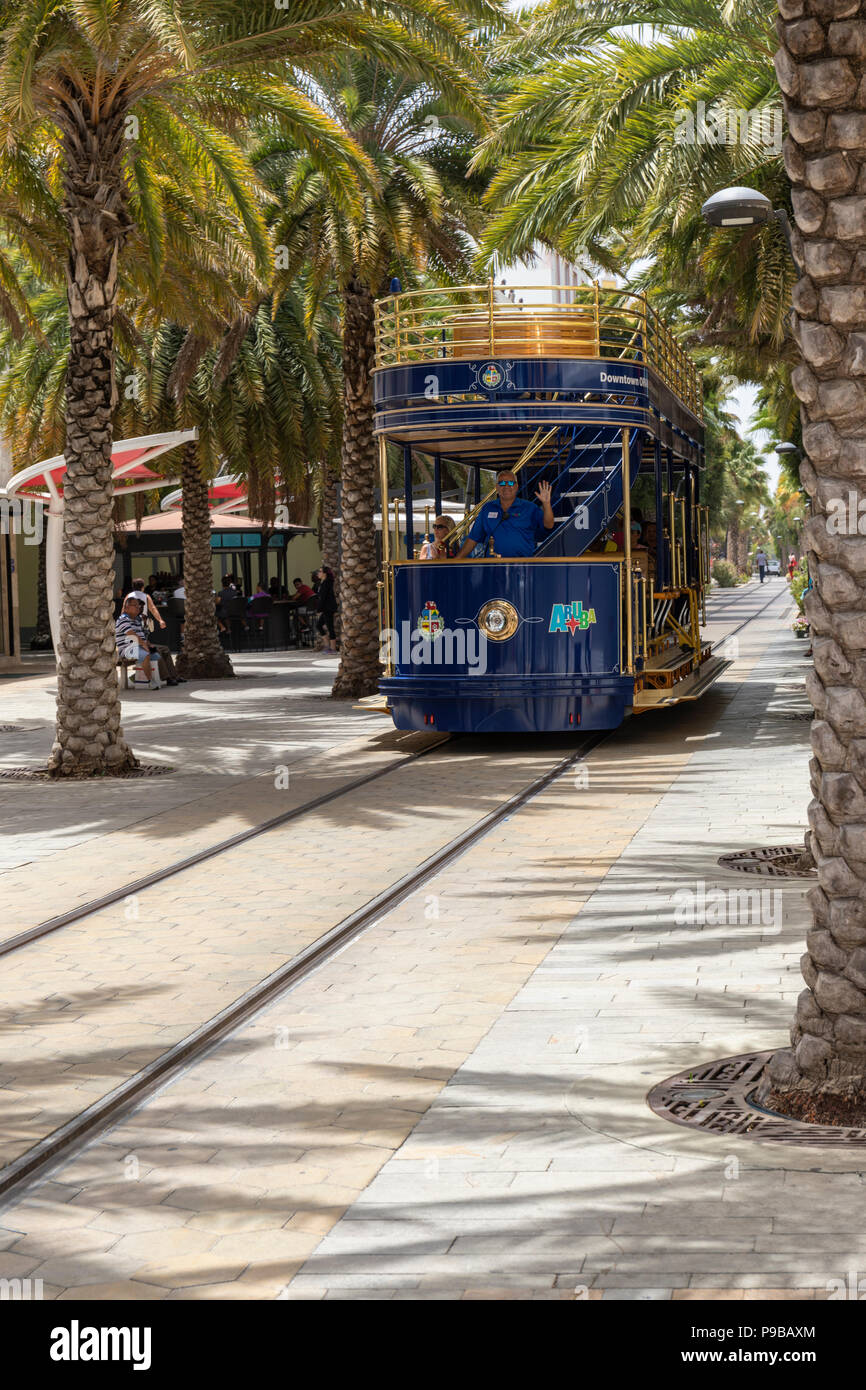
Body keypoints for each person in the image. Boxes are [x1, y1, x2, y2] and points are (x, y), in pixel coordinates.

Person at [453, 469, 554, 559]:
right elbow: (473, 538)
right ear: (496, 487)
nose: (506, 486)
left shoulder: (530, 508)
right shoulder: (487, 509)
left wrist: (546, 504)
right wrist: (457, 560)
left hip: (522, 566)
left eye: (510, 483)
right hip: (493, 567)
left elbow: (549, 525)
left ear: (516, 486)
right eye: (501, 483)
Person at [115, 597, 182, 686]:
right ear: (126, 608)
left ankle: (173, 676)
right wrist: (144, 644)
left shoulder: (136, 620)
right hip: (128, 648)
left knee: (163, 649)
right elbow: (131, 634)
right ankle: (166, 678)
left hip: (138, 646)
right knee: (153, 652)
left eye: (138, 606)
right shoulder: (123, 619)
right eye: (134, 605)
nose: (138, 607)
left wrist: (147, 643)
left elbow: (141, 636)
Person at [314, 565, 338, 652]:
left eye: (320, 571)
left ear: (324, 574)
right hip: (326, 608)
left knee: (330, 627)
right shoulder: (323, 582)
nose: (318, 573)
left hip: (328, 608)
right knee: (319, 625)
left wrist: (318, 609)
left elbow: (323, 598)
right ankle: (328, 645)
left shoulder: (327, 583)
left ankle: (332, 648)